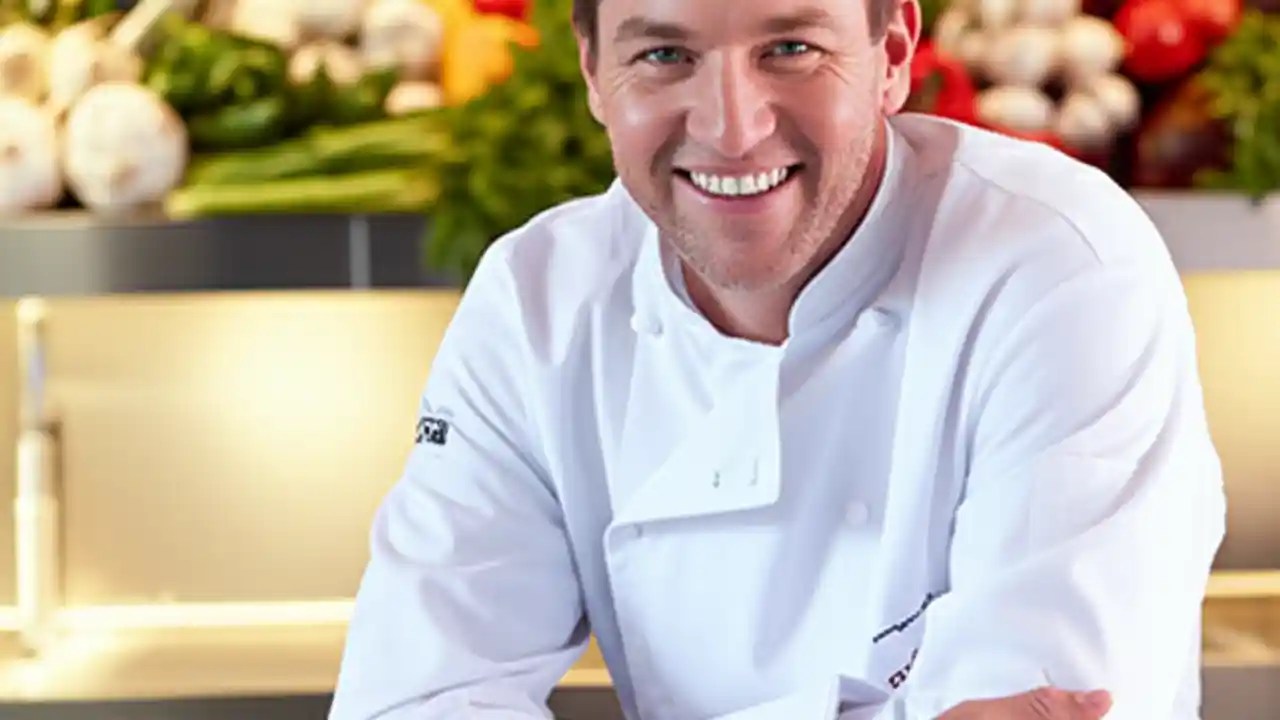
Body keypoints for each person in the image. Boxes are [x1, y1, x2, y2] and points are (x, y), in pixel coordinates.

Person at [329, 0, 1227, 716]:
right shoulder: (540, 299)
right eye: (663, 55)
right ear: (593, 72)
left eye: (791, 47)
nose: (730, 128)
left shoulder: (1057, 261)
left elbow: (1045, 707)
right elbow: (412, 698)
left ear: (894, 53)